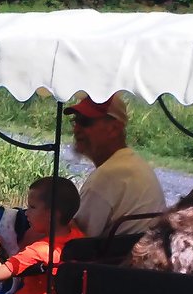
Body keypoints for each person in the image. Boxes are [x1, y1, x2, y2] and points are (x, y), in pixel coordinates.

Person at [66, 95, 166, 238]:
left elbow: (76, 239)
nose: (76, 129)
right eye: (75, 121)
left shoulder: (107, 176)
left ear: (114, 128)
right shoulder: (133, 163)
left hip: (112, 259)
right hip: (137, 254)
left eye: (85, 122)